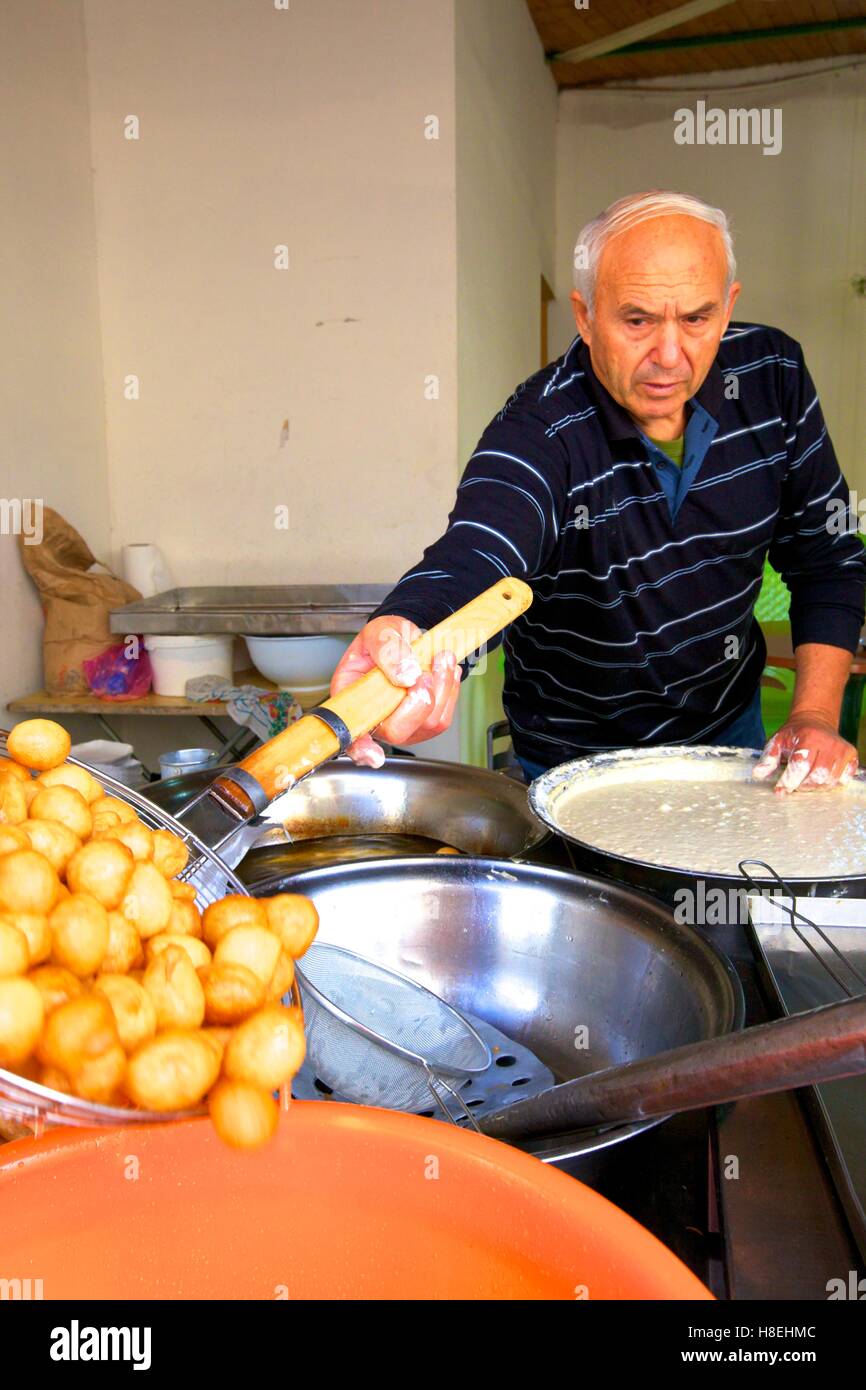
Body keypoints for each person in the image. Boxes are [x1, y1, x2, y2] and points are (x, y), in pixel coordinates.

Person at [330, 191, 866, 794]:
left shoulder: (774, 378)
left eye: (696, 318)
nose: (670, 357)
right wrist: (411, 634)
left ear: (728, 306)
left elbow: (827, 560)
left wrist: (814, 716)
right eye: (637, 321)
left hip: (731, 747)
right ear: (585, 317)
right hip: (574, 770)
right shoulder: (540, 429)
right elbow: (481, 553)